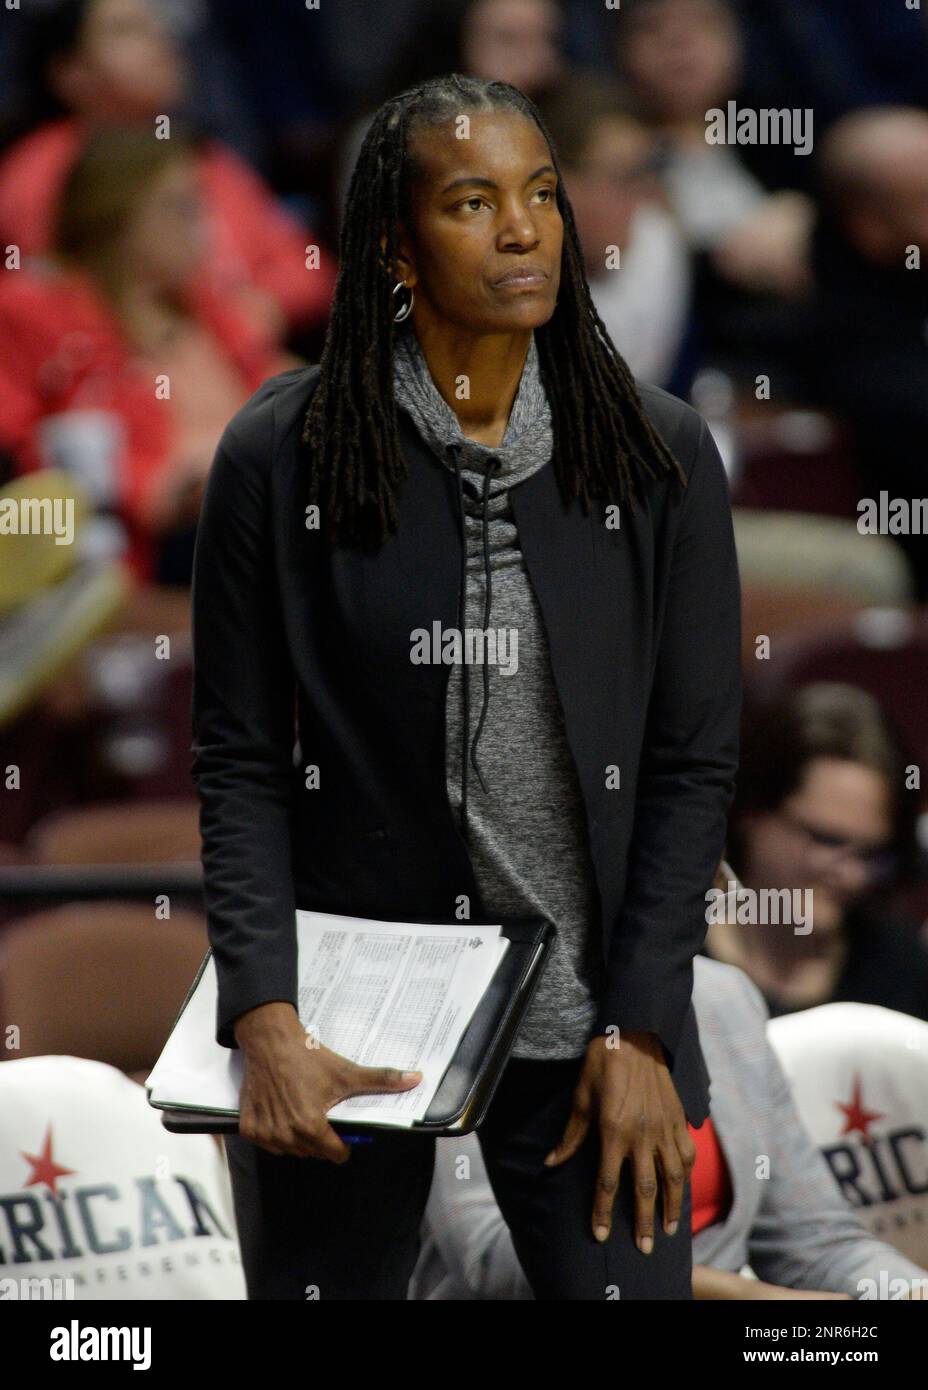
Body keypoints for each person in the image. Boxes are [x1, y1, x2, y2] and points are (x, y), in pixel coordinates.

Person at [191, 73, 742, 1300]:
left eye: (541, 195)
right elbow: (237, 757)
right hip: (356, 1023)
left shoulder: (653, 455)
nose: (522, 231)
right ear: (395, 242)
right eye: (474, 202)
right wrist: (264, 1016)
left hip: (594, 1022)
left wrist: (641, 1023)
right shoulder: (284, 456)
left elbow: (690, 761)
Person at [409, 955, 928, 1299]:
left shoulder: (721, 997)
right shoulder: (469, 1005)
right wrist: (748, 1298)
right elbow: (489, 1263)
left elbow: (815, 1242)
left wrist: (904, 1291)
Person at [704, 683, 928, 1022]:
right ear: (753, 813)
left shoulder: (900, 969)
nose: (854, 875)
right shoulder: (664, 962)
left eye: (870, 854)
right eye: (827, 839)